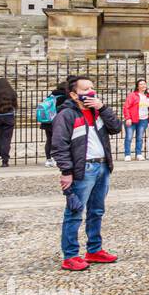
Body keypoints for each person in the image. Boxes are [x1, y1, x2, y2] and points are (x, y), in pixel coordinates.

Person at [52, 75, 122, 272]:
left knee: (96, 211)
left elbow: (116, 127)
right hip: (83, 169)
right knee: (75, 212)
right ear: (74, 95)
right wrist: (66, 171)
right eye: (85, 90)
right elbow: (59, 146)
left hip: (102, 167)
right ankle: (71, 255)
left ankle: (94, 249)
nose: (90, 92)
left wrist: (103, 108)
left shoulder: (98, 112)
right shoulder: (67, 115)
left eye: (92, 88)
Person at [37, 80, 68, 168]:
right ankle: (57, 158)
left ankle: (49, 160)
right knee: (59, 140)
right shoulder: (64, 97)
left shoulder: (51, 95)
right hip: (58, 122)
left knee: (49, 140)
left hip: (47, 122)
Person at [121, 79, 149, 161]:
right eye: (141, 84)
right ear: (137, 86)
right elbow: (126, 107)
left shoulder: (148, 96)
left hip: (143, 119)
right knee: (129, 137)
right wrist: (128, 118)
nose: (143, 85)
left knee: (140, 138)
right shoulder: (132, 95)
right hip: (132, 119)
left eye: (144, 84)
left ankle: (138, 154)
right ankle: (127, 154)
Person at [0, 76, 18, 168]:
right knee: (6, 140)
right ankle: (5, 161)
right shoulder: (12, 93)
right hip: (9, 117)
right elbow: (15, 106)